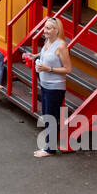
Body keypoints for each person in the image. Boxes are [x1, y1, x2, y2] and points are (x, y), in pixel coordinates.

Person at [28, 17, 73, 158]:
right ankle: (49, 145)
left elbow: (68, 69)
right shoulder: (48, 42)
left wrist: (48, 68)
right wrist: (34, 55)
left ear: (56, 30)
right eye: (45, 27)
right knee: (47, 115)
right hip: (45, 85)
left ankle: (50, 148)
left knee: (51, 117)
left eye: (48, 28)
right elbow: (44, 55)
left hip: (55, 87)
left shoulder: (61, 46)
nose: (44, 30)